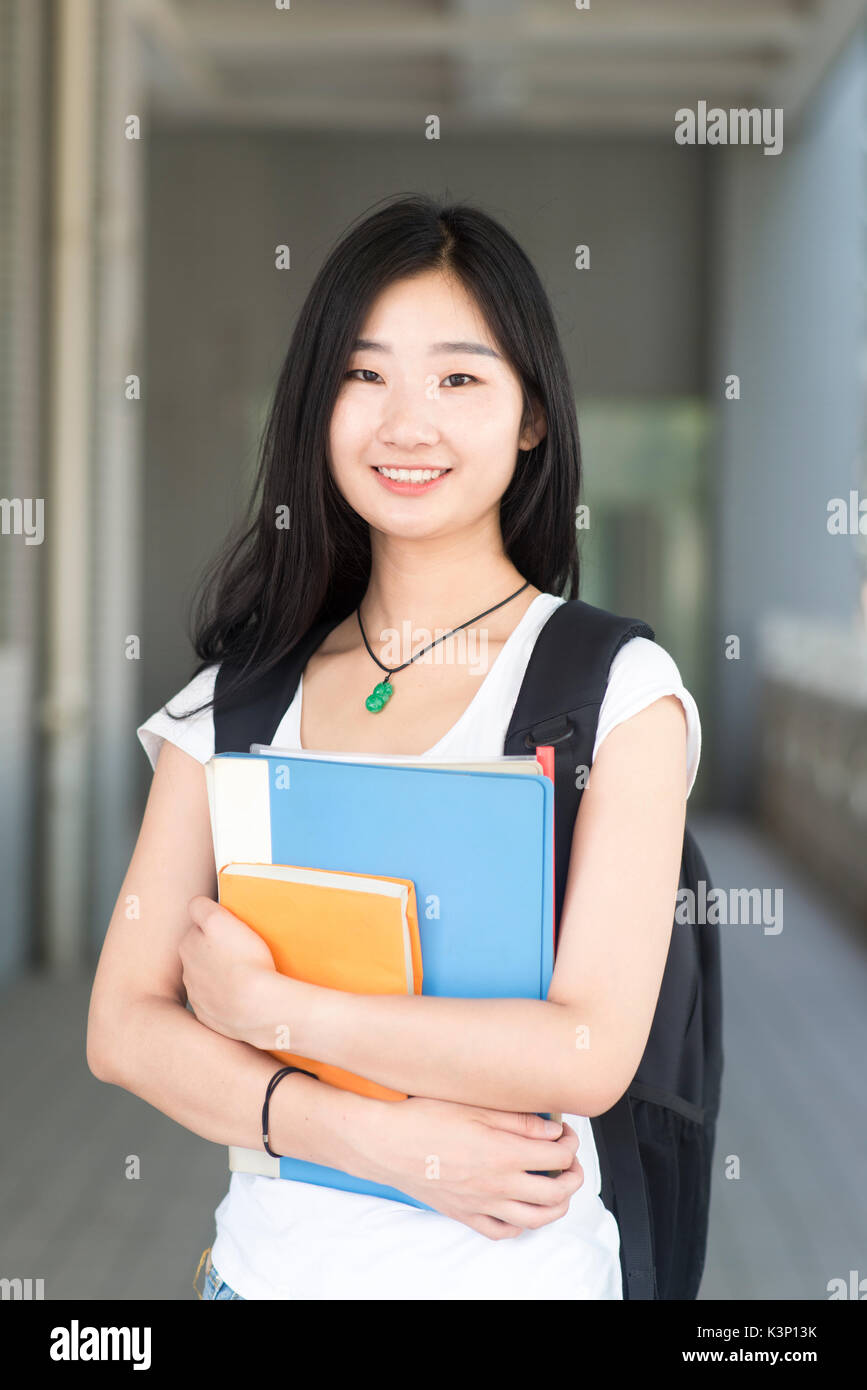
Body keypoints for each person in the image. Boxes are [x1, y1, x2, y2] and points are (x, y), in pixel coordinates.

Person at [87, 193, 700, 1301]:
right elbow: (122, 1027)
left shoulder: (612, 692)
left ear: (531, 416)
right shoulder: (238, 696)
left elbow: (588, 1050)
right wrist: (373, 1139)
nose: (405, 423)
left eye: (459, 378)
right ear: (316, 406)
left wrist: (275, 1013)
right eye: (364, 375)